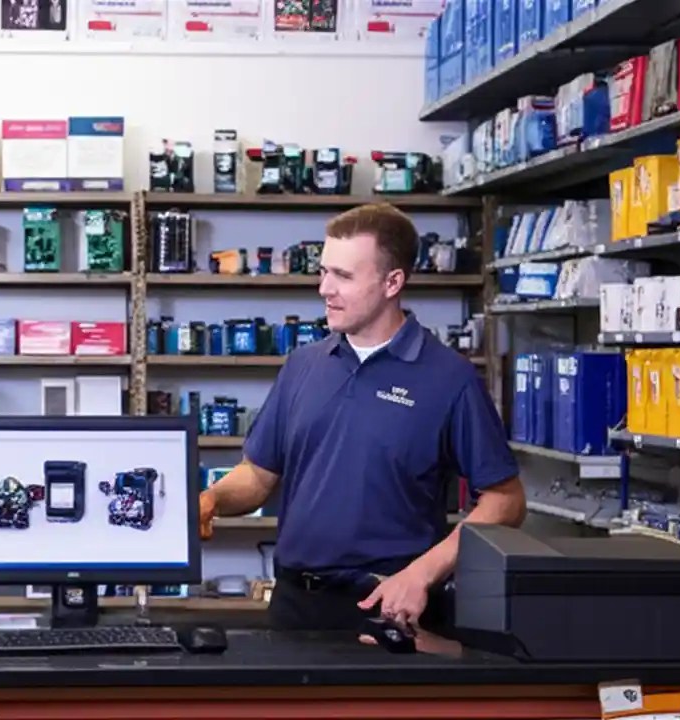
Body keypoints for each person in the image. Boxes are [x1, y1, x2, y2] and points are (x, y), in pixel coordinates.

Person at [199, 203, 525, 633]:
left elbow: (507, 501)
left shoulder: (449, 378)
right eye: (324, 271)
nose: (324, 289)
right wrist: (212, 500)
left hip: (390, 607)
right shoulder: (303, 365)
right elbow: (259, 475)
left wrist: (423, 573)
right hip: (295, 607)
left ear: (393, 282)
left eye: (343, 277)